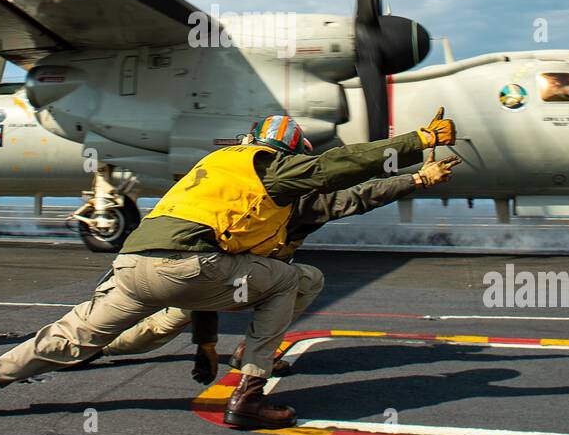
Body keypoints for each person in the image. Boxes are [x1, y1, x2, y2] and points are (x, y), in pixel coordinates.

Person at [0, 109, 456, 429]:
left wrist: (414, 180)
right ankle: (248, 393)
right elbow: (338, 172)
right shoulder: (269, 170)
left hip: (135, 261)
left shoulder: (217, 168)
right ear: (285, 152)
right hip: (190, 267)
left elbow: (348, 197)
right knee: (296, 279)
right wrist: (418, 144)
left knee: (70, 335)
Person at [101, 152, 460, 381]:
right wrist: (207, 345)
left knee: (302, 281)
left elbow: (360, 195)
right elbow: (356, 195)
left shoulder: (301, 200)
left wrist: (416, 178)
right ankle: (102, 349)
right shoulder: (241, 200)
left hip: (248, 278)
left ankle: (250, 355)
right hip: (215, 276)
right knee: (165, 324)